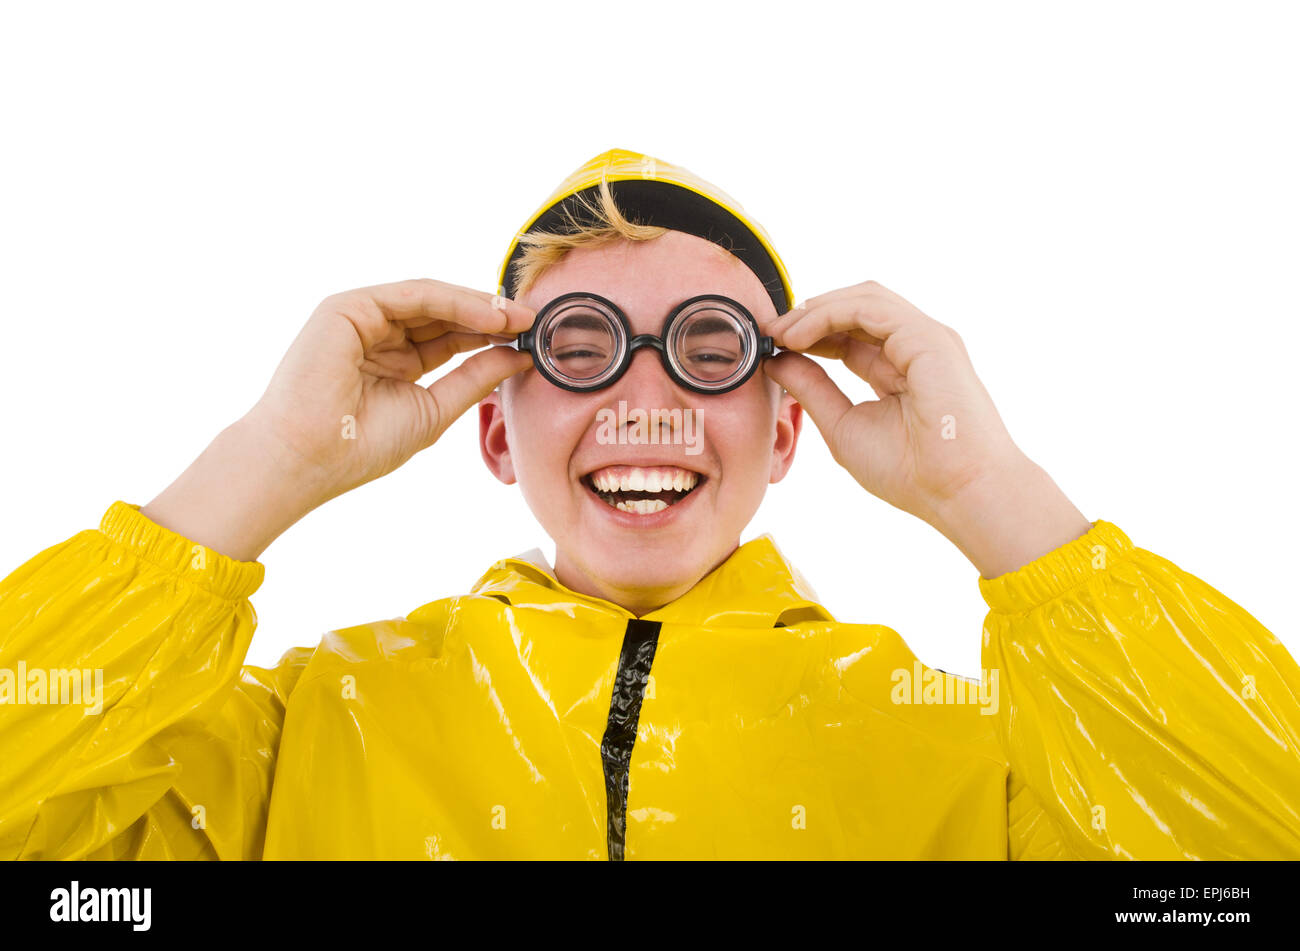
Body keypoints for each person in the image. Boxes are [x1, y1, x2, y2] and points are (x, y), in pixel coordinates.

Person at [1, 148, 1297, 860]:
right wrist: (268, 460)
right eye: (578, 346)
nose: (644, 393)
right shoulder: (306, 732)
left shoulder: (964, 751)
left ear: (787, 430)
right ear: (494, 436)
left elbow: (1251, 847)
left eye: (710, 347)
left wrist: (990, 493)